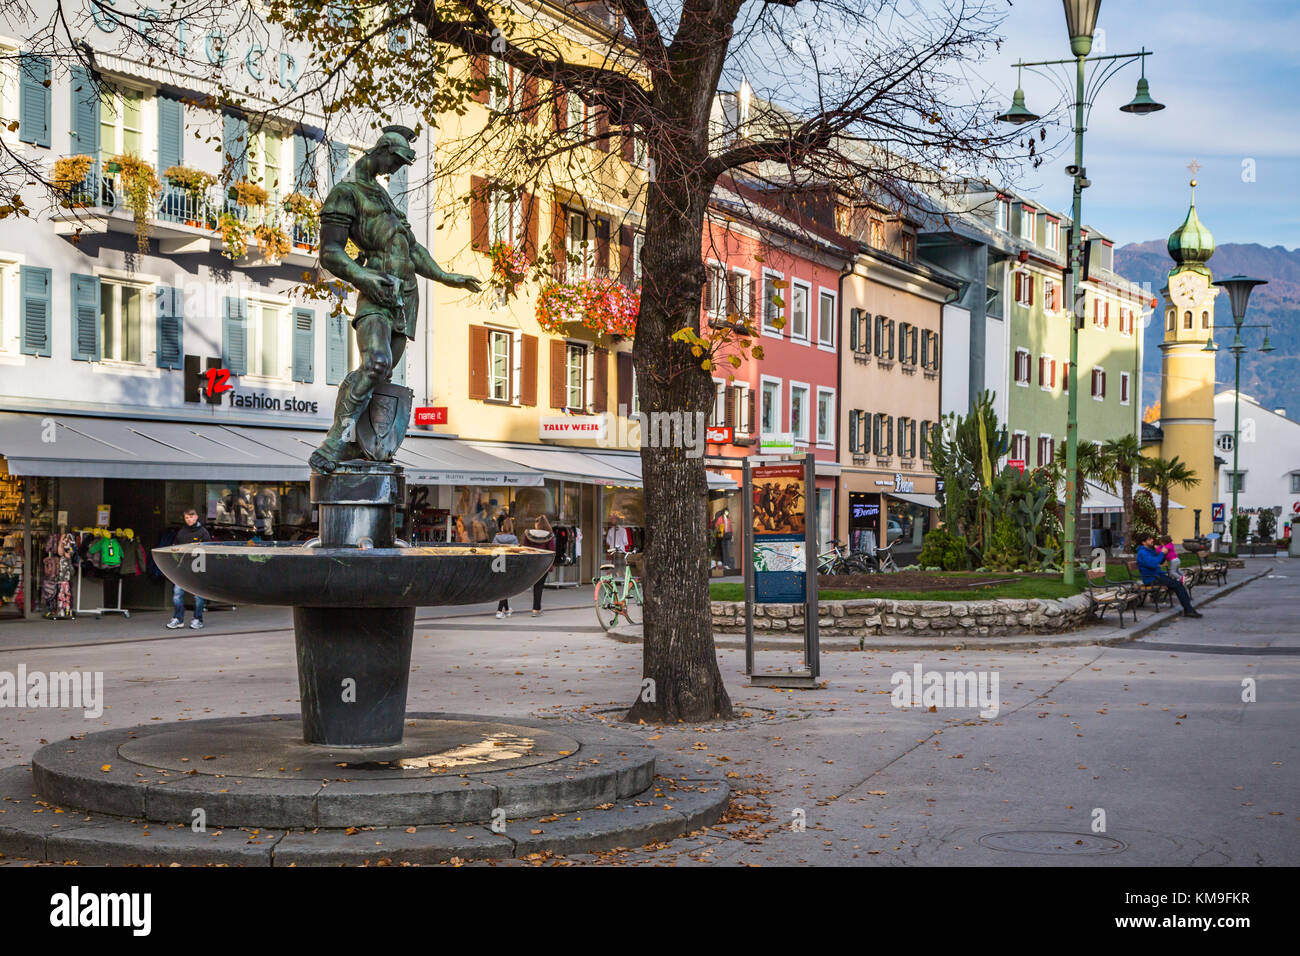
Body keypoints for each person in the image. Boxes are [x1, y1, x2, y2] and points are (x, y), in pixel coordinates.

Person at [309, 125, 481, 473]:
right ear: (383, 149)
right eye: (396, 163)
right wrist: (362, 276)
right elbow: (329, 252)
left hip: (406, 298)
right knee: (376, 363)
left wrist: (447, 276)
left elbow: (412, 250)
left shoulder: (383, 197)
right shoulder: (347, 192)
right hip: (377, 291)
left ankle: (366, 450)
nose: (396, 171)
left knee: (382, 380)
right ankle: (333, 442)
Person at [1136, 532, 1200, 618]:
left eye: (1151, 538)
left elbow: (1160, 561)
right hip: (1151, 579)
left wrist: (1165, 553)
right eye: (1149, 539)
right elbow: (1153, 564)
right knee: (1178, 585)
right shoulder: (1143, 553)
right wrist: (1162, 553)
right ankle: (1188, 610)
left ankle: (1189, 609)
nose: (1152, 540)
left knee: (1178, 585)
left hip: (1157, 576)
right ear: (1143, 542)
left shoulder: (1149, 551)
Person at [168, 508, 211, 629]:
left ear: (196, 517)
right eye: (187, 517)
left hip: (198, 567)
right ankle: (178, 618)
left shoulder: (203, 532)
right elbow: (174, 548)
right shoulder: (181, 532)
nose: (189, 519)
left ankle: (198, 619)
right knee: (177, 594)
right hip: (182, 568)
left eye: (191, 517)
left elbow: (210, 551)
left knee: (198, 595)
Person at [523, 515, 556, 617]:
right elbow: (552, 551)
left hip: (533, 564)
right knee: (539, 587)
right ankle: (536, 608)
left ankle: (536, 608)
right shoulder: (549, 536)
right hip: (544, 565)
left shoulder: (529, 534)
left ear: (537, 524)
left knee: (535, 586)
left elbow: (525, 548)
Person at [492, 518, 518, 618]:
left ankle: (506, 609)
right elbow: (516, 553)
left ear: (503, 526)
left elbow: (493, 550)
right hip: (509, 564)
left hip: (497, 563)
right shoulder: (514, 539)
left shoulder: (496, 537)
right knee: (505, 587)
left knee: (503, 586)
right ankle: (499, 611)